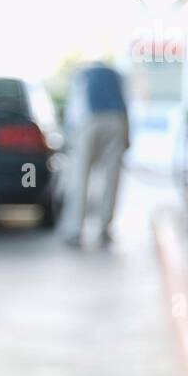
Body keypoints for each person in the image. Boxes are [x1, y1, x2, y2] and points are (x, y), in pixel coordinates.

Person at [60, 61, 130, 246]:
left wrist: (69, 135)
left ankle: (75, 229)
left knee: (80, 175)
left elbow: (75, 106)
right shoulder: (116, 74)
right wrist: (128, 136)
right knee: (112, 176)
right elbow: (126, 102)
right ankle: (105, 227)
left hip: (90, 120)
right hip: (117, 120)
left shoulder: (82, 73)